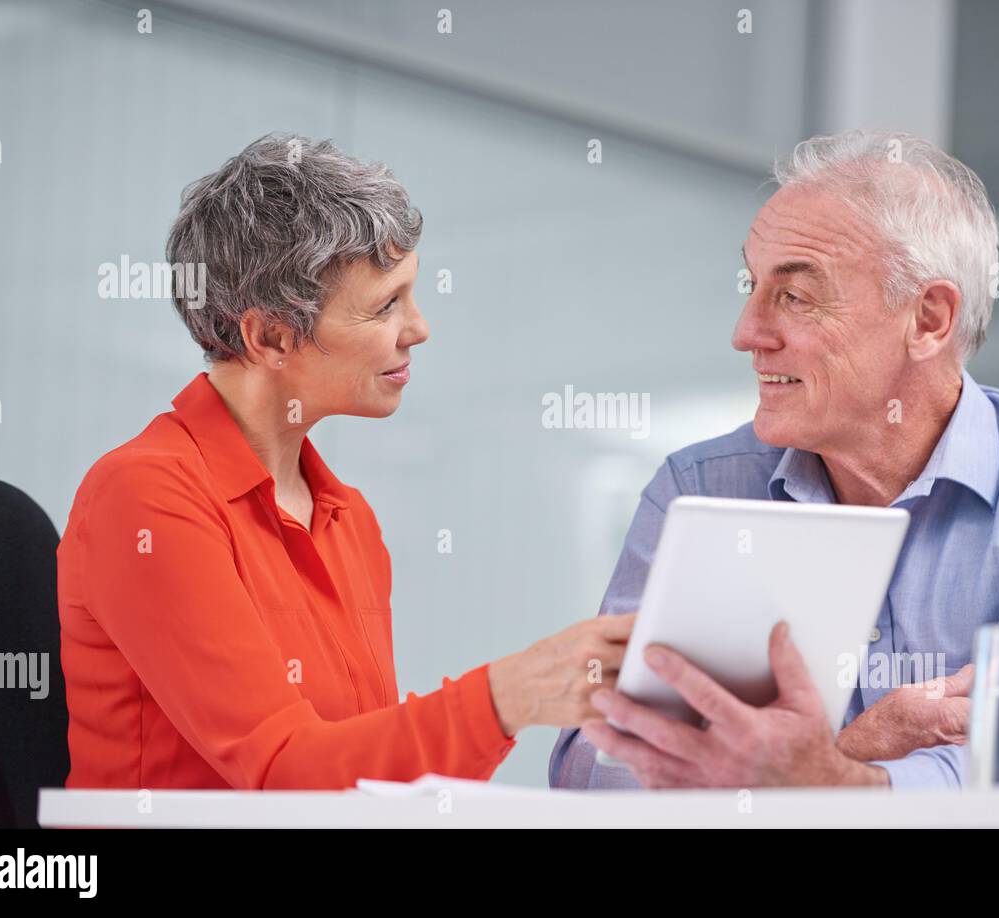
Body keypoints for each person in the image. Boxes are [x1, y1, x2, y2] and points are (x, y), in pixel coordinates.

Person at [551, 130, 999, 790]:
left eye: (793, 296)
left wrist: (810, 779)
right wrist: (857, 750)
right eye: (753, 286)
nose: (746, 333)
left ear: (928, 319)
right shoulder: (699, 487)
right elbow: (596, 775)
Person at [58, 134, 632, 790]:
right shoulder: (144, 495)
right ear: (272, 337)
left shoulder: (346, 517)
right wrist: (505, 697)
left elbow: (357, 776)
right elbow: (283, 773)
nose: (418, 328)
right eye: (386, 304)